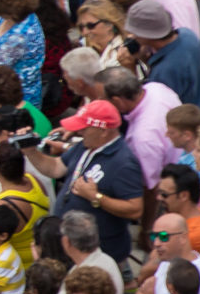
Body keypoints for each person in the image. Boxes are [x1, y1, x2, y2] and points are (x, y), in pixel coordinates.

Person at [22, 99, 147, 265]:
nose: (80, 132)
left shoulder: (124, 163)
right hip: (72, 247)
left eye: (85, 128)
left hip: (98, 254)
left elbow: (135, 209)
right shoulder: (87, 145)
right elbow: (57, 168)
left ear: (103, 131)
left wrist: (96, 197)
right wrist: (31, 152)